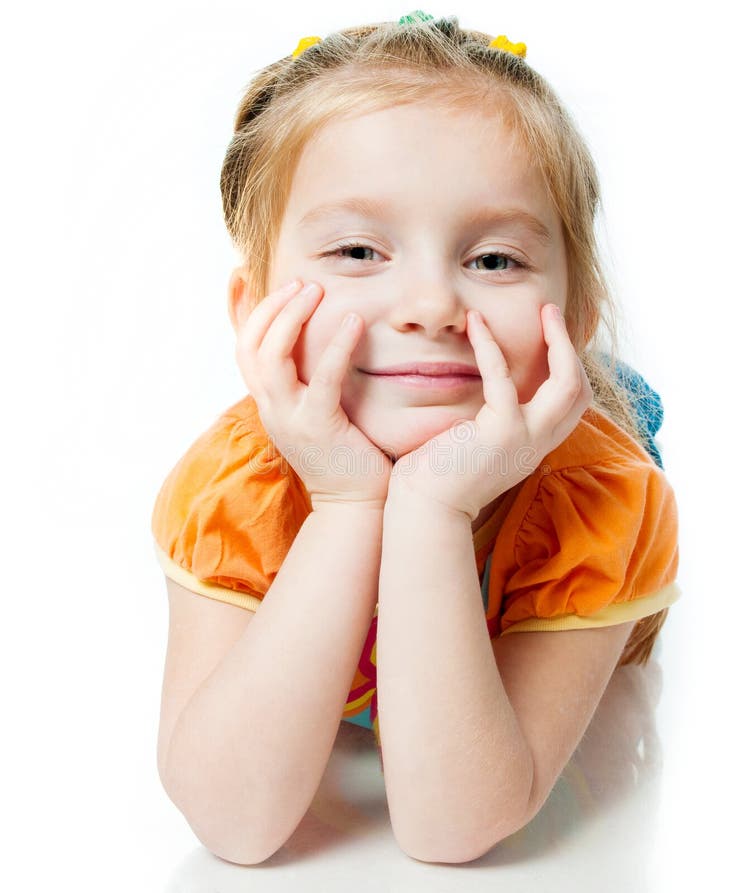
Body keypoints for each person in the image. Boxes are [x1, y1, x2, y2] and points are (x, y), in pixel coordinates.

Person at [151, 12, 681, 866]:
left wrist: (433, 509)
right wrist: (344, 498)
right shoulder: (237, 484)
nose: (432, 304)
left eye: (496, 260)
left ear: (576, 315)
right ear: (253, 309)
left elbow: (452, 827)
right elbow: (233, 825)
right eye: (359, 249)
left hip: (547, 449)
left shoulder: (600, 502)